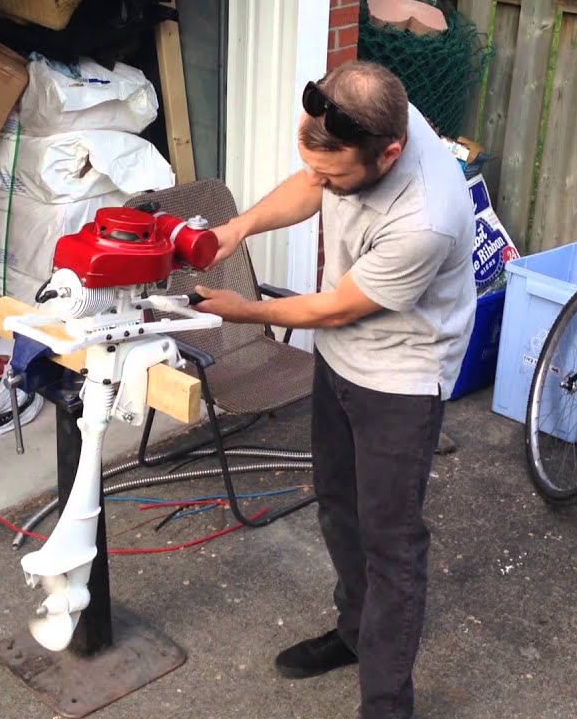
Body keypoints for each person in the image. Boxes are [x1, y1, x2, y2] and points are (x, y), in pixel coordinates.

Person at [191, 60, 476, 719]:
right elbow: (311, 182)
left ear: (391, 152)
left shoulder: (426, 215)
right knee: (337, 507)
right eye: (314, 165)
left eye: (335, 175)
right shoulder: (362, 119)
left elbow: (336, 308)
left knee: (391, 547)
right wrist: (238, 229)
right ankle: (354, 634)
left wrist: (245, 311)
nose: (322, 183)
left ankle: (386, 705)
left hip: (401, 379)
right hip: (340, 363)